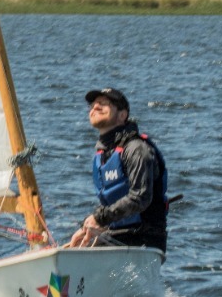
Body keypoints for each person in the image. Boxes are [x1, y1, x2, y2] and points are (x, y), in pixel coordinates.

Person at [69, 87, 169, 251]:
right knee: (72, 252)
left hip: (143, 239)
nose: (96, 107)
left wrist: (100, 218)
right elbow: (111, 205)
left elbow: (140, 198)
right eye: (93, 105)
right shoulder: (102, 154)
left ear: (123, 115)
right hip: (117, 235)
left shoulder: (137, 149)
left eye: (104, 104)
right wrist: (89, 227)